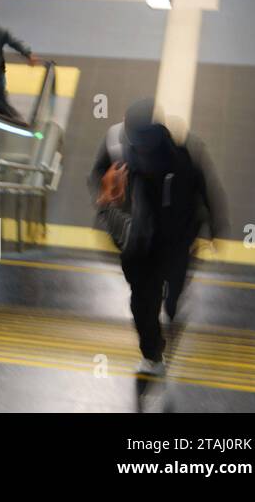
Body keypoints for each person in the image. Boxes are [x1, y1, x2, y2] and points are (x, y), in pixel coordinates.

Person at [88, 100, 226, 386]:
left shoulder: (184, 151)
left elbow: (205, 186)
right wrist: (108, 192)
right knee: (142, 302)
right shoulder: (117, 148)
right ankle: (152, 354)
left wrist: (216, 226)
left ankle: (173, 312)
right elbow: (97, 179)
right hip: (140, 245)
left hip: (178, 239)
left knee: (173, 295)